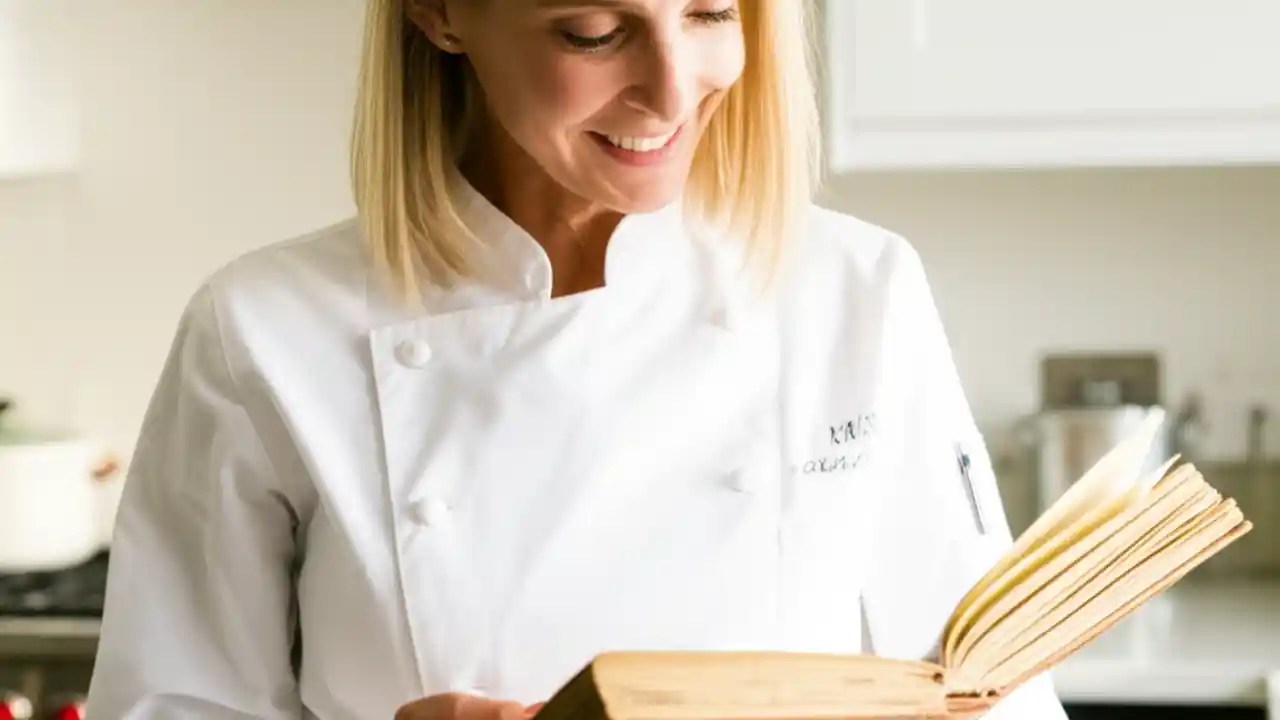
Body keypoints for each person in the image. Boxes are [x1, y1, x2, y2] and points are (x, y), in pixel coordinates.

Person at [85, 0, 1071, 718]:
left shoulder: (855, 290)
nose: (674, 88)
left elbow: (991, 697)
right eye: (594, 33)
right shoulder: (265, 329)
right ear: (439, 14)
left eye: (709, 14)